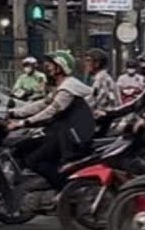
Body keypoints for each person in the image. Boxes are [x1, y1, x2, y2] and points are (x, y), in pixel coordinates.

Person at [6, 51, 95, 196]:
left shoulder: (68, 88)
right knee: (22, 146)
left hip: (70, 136)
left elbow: (50, 111)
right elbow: (42, 104)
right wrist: (13, 113)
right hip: (58, 131)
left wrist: (22, 123)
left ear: (60, 67)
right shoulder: (61, 86)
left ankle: (66, 189)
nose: (47, 68)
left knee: (34, 161)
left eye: (50, 65)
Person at [84, 49, 119, 113]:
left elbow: (93, 101)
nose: (86, 64)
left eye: (88, 61)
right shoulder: (100, 78)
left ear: (97, 63)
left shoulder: (102, 80)